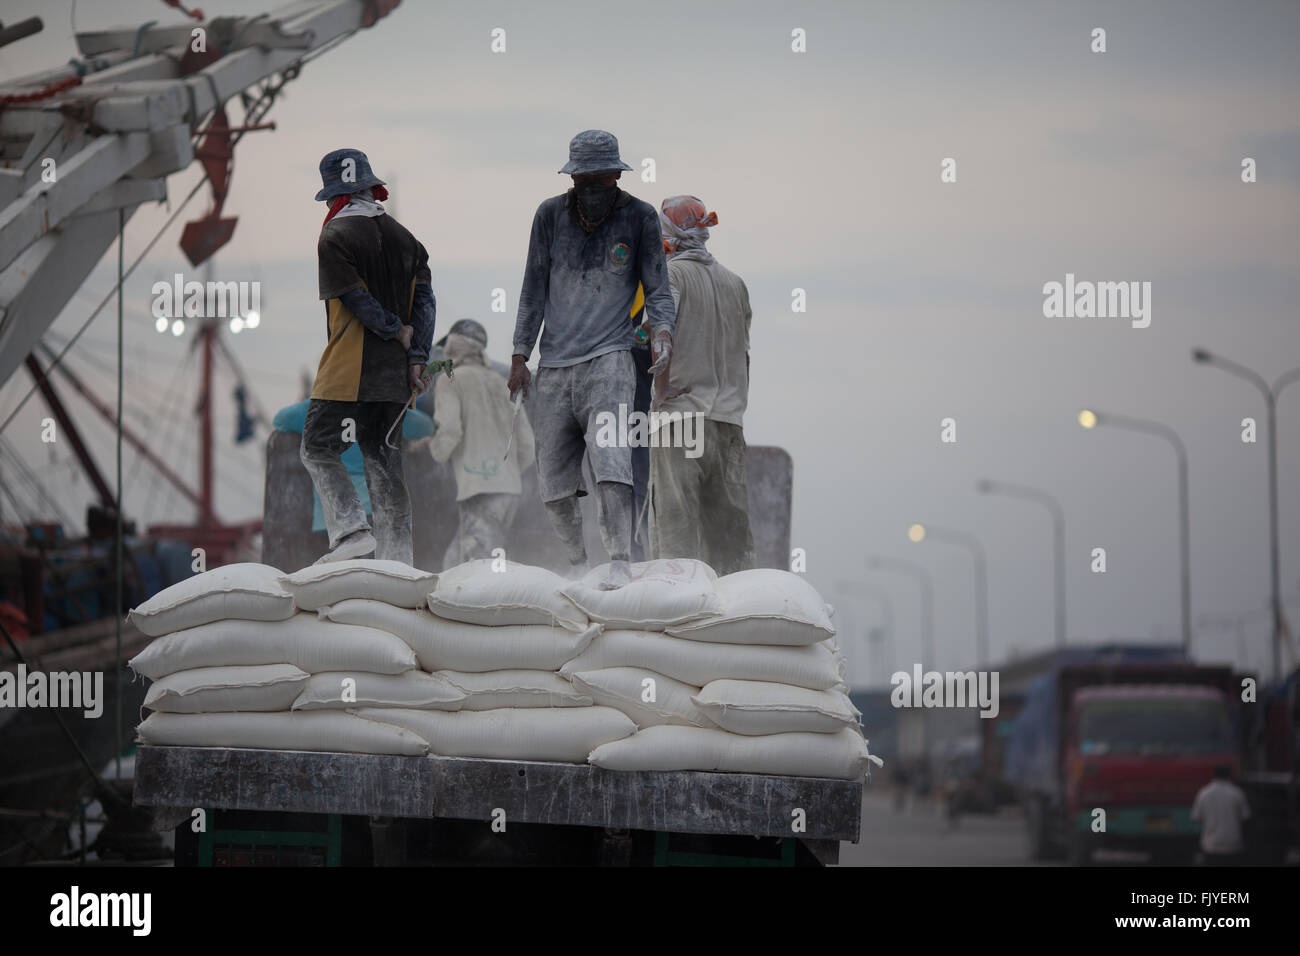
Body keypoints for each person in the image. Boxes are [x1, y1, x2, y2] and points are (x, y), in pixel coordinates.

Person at [509, 130, 676, 589]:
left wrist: (662, 333)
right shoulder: (549, 215)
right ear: (572, 178)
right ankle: (578, 564)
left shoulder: (639, 217)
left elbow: (659, 290)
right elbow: (531, 289)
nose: (592, 188)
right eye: (584, 180)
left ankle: (619, 559)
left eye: (601, 179)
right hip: (555, 365)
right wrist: (521, 354)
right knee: (553, 479)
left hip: (610, 360)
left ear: (616, 176)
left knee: (611, 462)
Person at [300, 148, 435, 565]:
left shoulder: (335, 236)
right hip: (395, 378)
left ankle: (351, 531)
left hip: (348, 371)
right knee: (384, 461)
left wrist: (392, 329)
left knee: (317, 447)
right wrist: (416, 356)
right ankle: (398, 560)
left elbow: (354, 298)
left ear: (335, 195)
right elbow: (425, 303)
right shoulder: (408, 240)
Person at [648, 194, 756, 574]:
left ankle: (678, 601)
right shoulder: (735, 283)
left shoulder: (670, 276)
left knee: (676, 527)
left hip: (680, 418)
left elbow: (661, 336)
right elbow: (745, 356)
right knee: (728, 533)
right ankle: (735, 603)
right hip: (728, 422)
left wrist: (660, 393)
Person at [428, 319, 535, 570]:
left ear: (453, 345)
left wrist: (435, 452)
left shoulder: (450, 380)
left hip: (478, 488)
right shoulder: (503, 383)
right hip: (510, 489)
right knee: (455, 563)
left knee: (478, 568)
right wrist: (506, 472)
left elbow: (450, 432)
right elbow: (527, 445)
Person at [1191, 765, 1250, 865]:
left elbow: (1196, 817)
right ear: (1229, 776)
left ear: (1214, 776)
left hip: (1211, 845)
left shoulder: (1204, 793)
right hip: (1233, 845)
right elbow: (1246, 817)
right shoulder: (1237, 793)